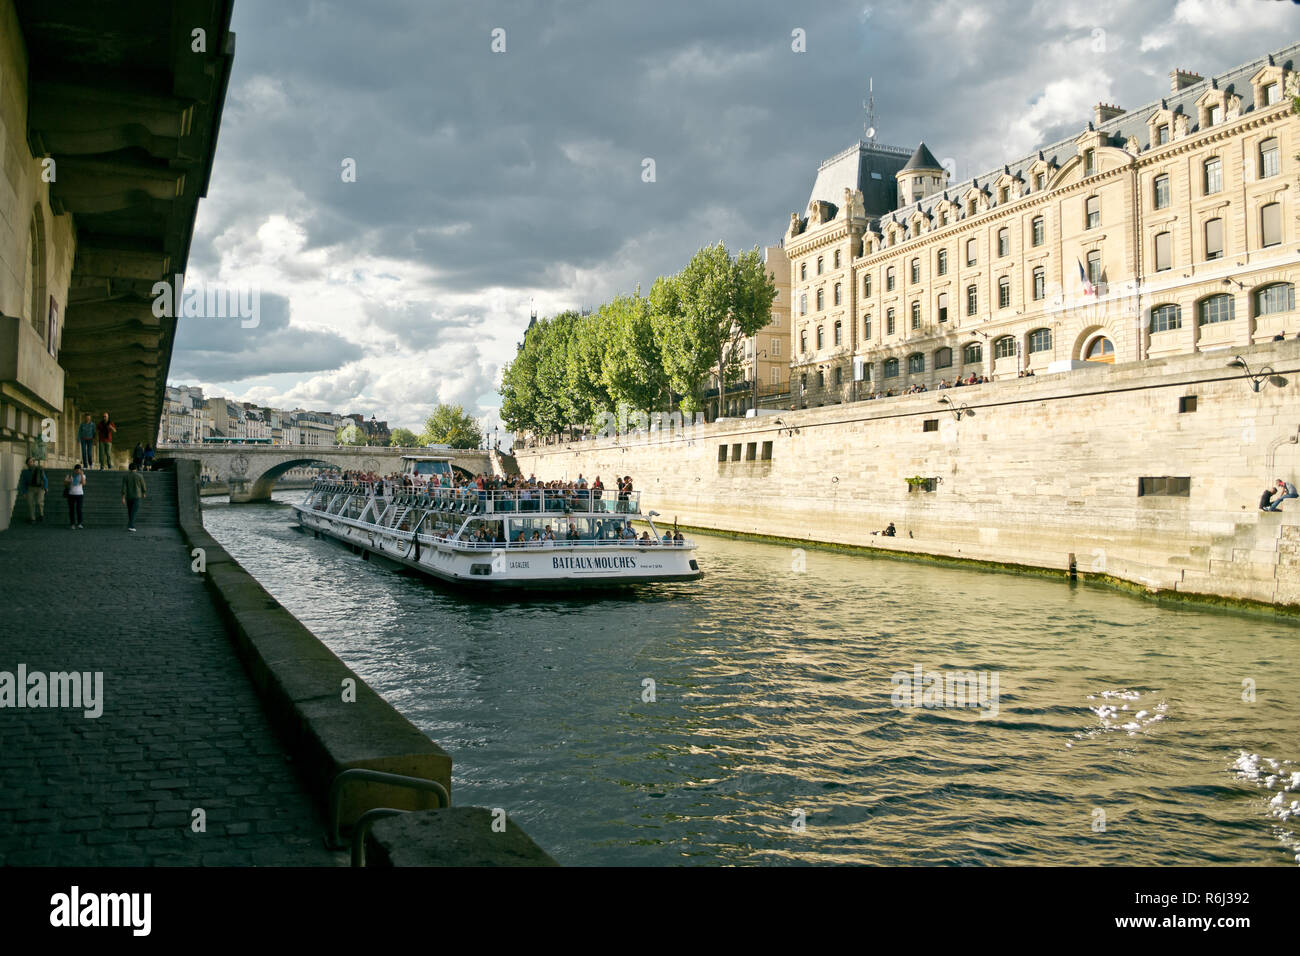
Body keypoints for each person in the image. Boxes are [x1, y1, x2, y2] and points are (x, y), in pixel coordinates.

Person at [121, 461, 147, 532]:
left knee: (130, 511)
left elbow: (123, 487)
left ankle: (130, 524)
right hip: (137, 496)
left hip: (128, 496)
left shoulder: (125, 476)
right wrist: (144, 492)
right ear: (136, 468)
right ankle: (131, 525)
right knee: (134, 511)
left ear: (129, 468)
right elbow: (143, 485)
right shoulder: (139, 476)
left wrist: (123, 497)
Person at [19, 456, 47, 523]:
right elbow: (23, 482)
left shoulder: (39, 469)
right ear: (27, 464)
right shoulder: (25, 472)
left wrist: (45, 487)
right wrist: (23, 492)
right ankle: (32, 518)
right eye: (29, 462)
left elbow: (45, 479)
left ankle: (41, 515)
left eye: (31, 462)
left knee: (39, 501)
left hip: (40, 488)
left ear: (34, 462)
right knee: (30, 503)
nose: (30, 463)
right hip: (30, 488)